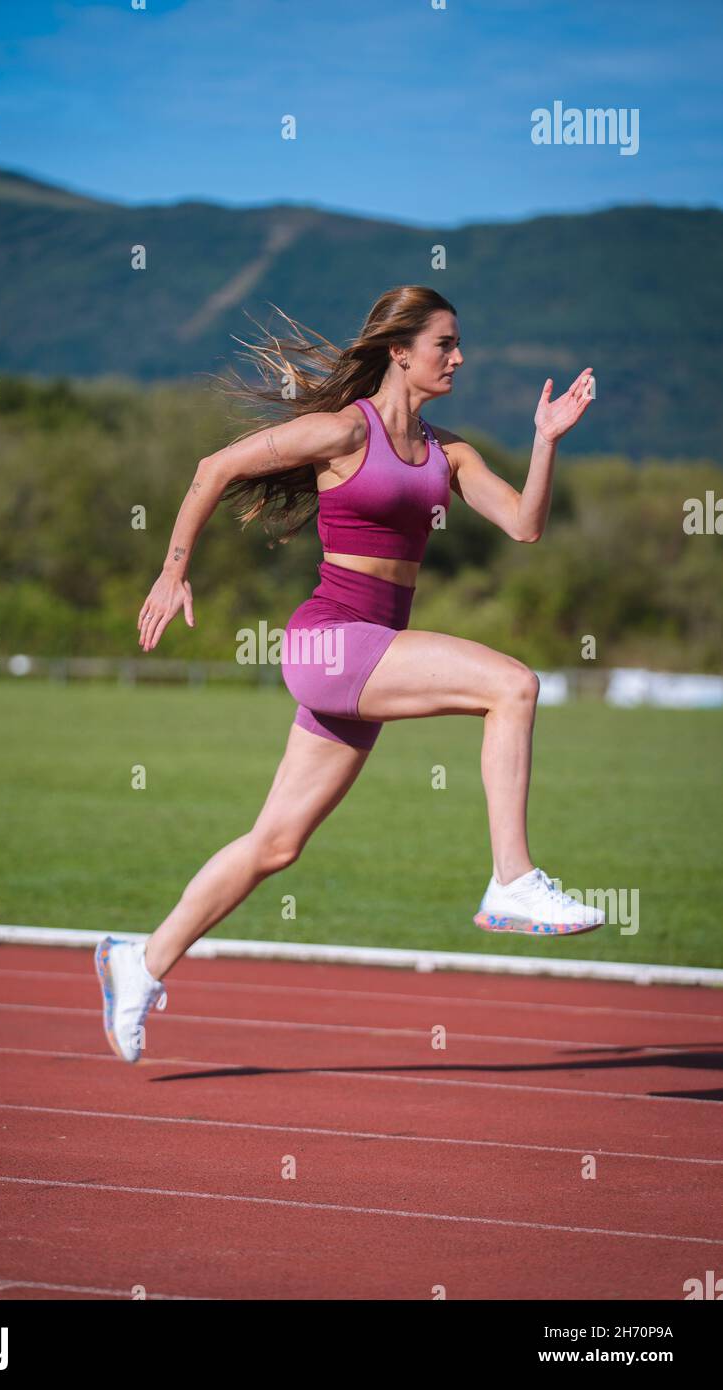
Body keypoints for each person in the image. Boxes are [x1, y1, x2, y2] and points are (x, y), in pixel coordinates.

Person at [95, 285, 604, 1064]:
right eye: (445, 344)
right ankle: (512, 878)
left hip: (368, 660)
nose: (459, 357)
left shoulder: (450, 452)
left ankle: (141, 962)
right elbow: (214, 467)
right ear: (400, 351)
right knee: (513, 685)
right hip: (331, 644)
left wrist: (546, 440)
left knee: (274, 845)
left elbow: (525, 526)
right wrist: (172, 572)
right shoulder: (340, 431)